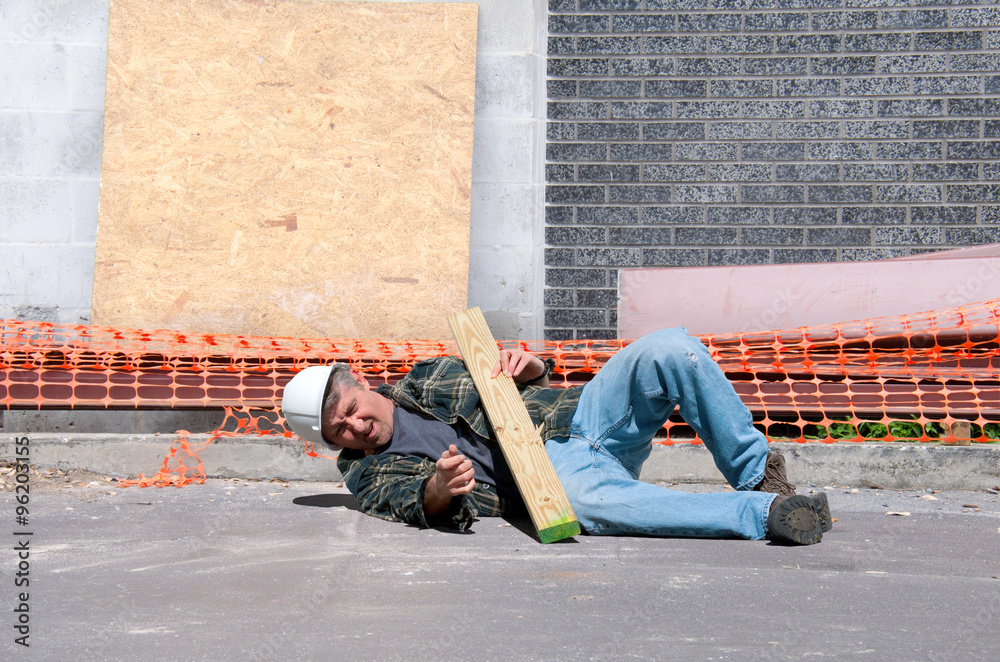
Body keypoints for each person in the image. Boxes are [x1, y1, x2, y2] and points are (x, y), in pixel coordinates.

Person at [281, 328, 831, 545]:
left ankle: (759, 475)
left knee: (667, 348)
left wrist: (530, 368)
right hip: (549, 481)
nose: (355, 427)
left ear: (360, 382)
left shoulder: (426, 375)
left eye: (351, 410)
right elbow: (409, 502)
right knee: (586, 504)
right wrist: (441, 489)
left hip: (584, 417)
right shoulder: (365, 472)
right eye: (341, 433)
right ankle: (768, 516)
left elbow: (518, 380)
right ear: (336, 444)